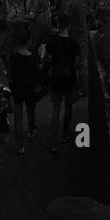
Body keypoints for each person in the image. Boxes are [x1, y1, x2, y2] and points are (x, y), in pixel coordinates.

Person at [44, 15, 81, 153]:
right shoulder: (74, 44)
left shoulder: (51, 43)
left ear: (58, 25)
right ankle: (65, 133)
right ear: (69, 26)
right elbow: (77, 64)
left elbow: (46, 60)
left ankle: (53, 142)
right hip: (69, 78)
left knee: (55, 109)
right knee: (69, 107)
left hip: (56, 77)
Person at [7, 23, 40, 155]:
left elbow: (10, 74)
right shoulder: (32, 58)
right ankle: (32, 130)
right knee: (31, 110)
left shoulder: (13, 58)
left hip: (17, 88)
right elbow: (36, 74)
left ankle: (20, 146)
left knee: (18, 118)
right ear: (28, 41)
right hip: (29, 88)